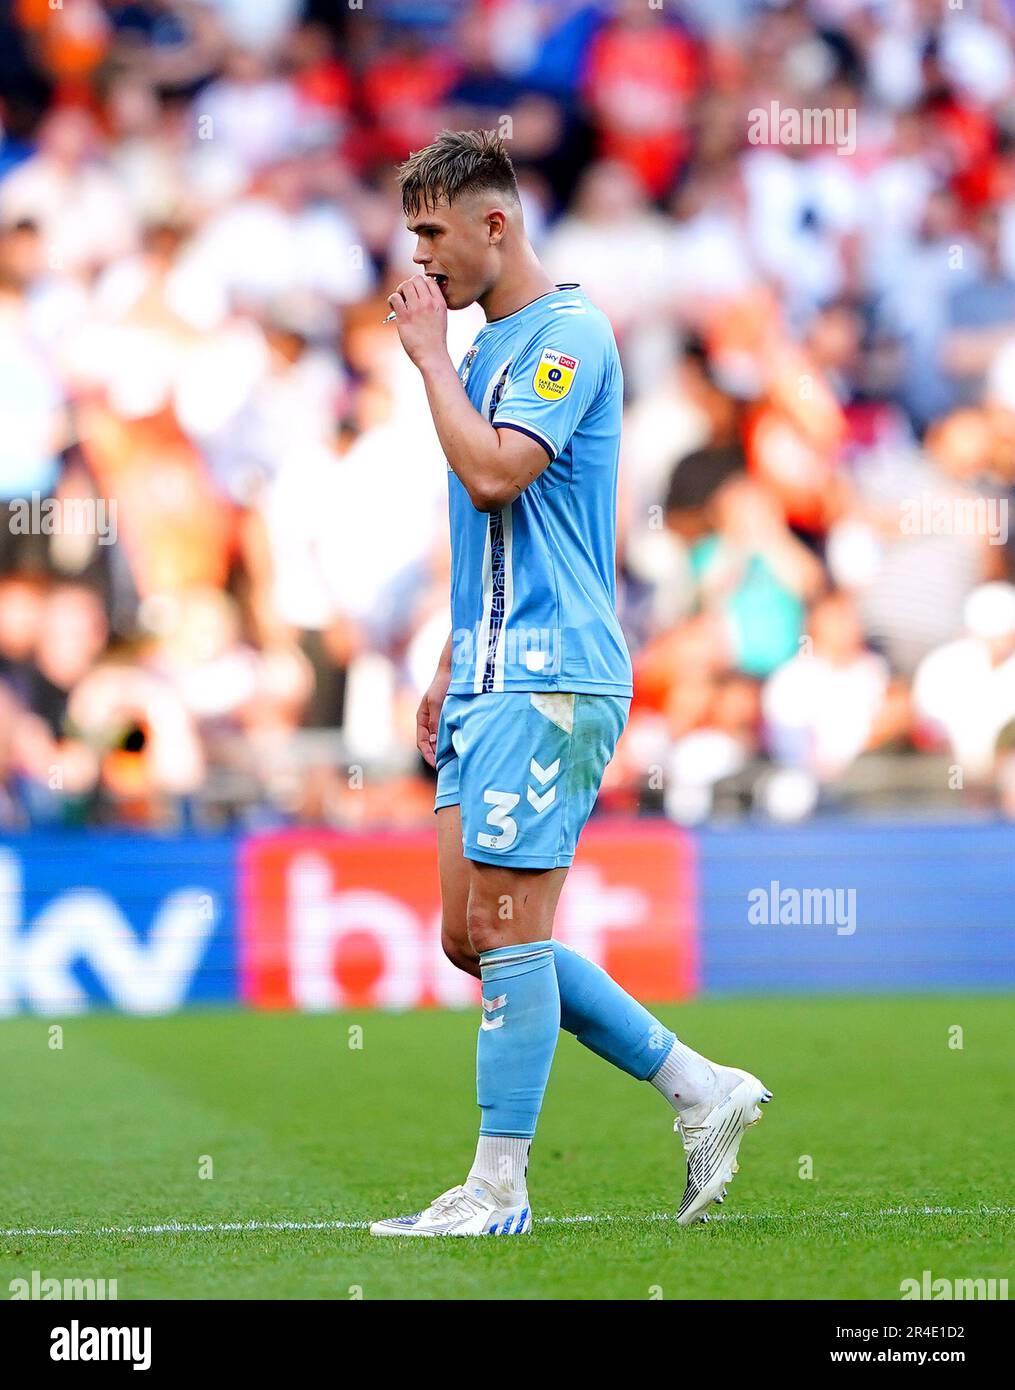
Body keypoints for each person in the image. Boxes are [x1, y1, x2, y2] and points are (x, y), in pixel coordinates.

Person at [369, 130, 770, 1239]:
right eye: (413, 233)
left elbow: (499, 472)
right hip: (490, 663)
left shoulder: (566, 336)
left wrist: (428, 361)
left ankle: (498, 1187)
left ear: (495, 225)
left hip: (551, 671)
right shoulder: (495, 341)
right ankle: (699, 1088)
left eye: (434, 232)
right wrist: (453, 650)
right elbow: (492, 521)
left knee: (504, 920)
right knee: (473, 932)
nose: (421, 257)